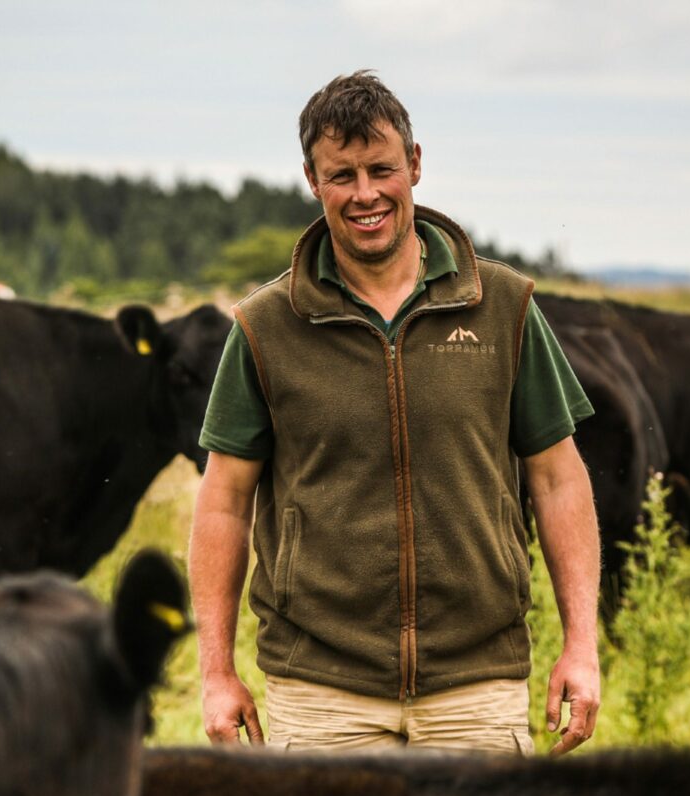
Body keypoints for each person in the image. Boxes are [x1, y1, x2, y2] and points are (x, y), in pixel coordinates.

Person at [188, 70, 601, 756]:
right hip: (321, 700)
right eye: (341, 175)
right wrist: (215, 672)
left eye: (381, 168)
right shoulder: (266, 326)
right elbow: (224, 500)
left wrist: (581, 646)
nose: (365, 193)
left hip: (477, 692)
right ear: (311, 180)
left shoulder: (502, 307)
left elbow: (558, 479)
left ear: (414, 163)